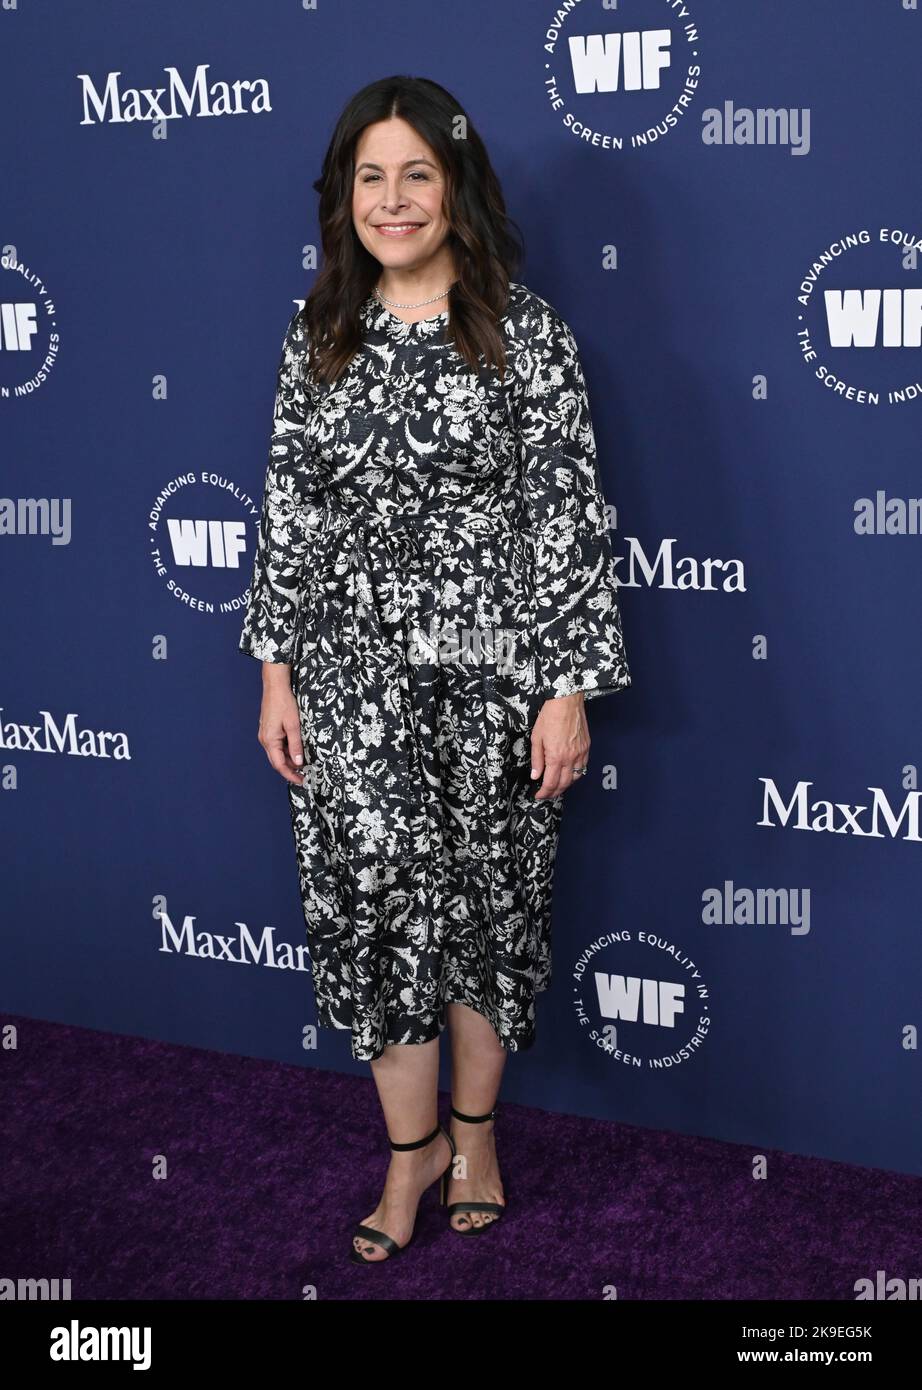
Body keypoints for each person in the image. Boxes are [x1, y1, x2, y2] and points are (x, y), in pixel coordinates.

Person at [239, 75, 631, 1264]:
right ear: (342, 197)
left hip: (496, 689)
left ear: (457, 190)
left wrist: (566, 685)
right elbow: (289, 516)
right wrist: (277, 676)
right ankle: (406, 1155)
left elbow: (566, 514)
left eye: (418, 172)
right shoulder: (319, 336)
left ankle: (476, 1138)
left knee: (487, 919)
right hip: (353, 697)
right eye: (371, 175)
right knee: (379, 925)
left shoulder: (525, 331)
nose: (393, 198)